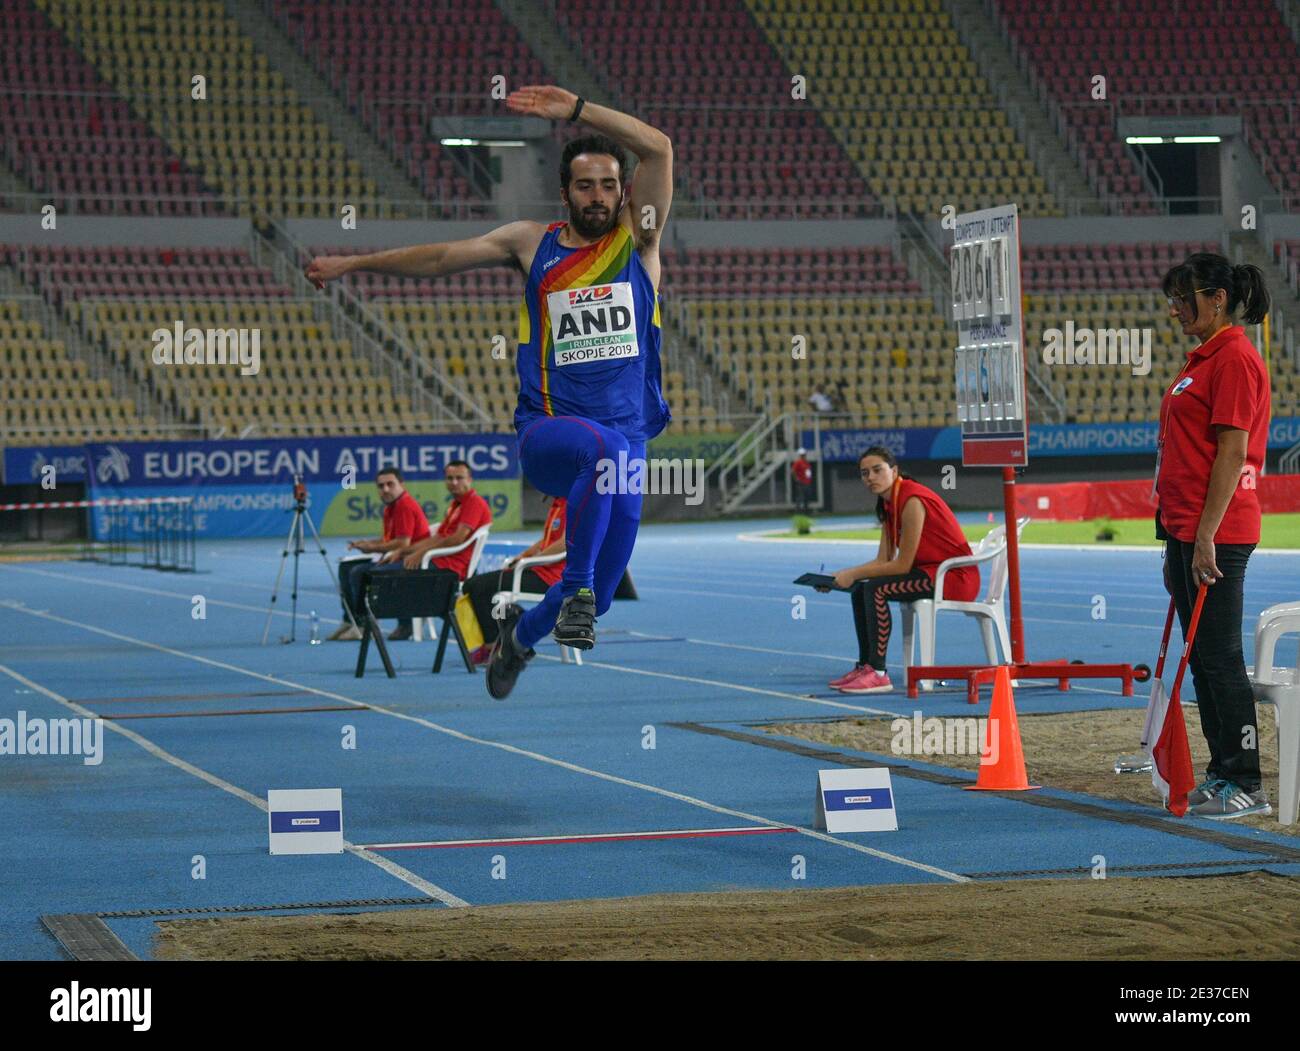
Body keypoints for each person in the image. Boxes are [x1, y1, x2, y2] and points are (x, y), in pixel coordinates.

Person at [307, 85, 672, 699]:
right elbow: (443, 256)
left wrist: (578, 111)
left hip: (625, 445)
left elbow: (658, 147)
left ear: (625, 193)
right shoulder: (533, 243)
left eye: (610, 184)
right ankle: (575, 589)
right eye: (586, 185)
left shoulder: (640, 241)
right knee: (598, 467)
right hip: (551, 433)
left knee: (604, 595)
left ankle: (518, 640)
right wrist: (357, 264)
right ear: (565, 194)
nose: (600, 196)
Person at [1156, 253, 1272, 819]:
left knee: (1220, 656)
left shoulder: (1234, 359)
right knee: (1200, 656)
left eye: (1185, 298)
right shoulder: (1201, 359)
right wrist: (1172, 536)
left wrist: (1203, 537)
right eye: (1172, 300)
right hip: (1186, 529)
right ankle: (1221, 769)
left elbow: (1232, 451)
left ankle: (1248, 779)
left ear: (1218, 297)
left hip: (1218, 532)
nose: (1176, 309)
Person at [821, 447, 979, 694]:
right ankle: (866, 666)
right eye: (864, 473)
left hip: (953, 577)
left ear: (894, 471)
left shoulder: (912, 499)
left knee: (874, 588)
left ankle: (879, 673)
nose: (870, 478)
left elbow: (901, 565)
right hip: (929, 573)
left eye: (877, 470)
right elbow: (883, 559)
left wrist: (852, 574)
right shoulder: (888, 505)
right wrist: (840, 575)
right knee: (860, 589)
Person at [375, 460, 494, 640]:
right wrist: (405, 551)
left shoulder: (473, 503)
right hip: (440, 560)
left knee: (386, 575)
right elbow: (438, 537)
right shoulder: (455, 505)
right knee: (387, 569)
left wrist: (421, 553)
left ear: (469, 479)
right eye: (449, 478)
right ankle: (408, 621)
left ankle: (405, 623)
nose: (454, 482)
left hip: (453, 566)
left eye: (459, 478)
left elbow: (457, 538)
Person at [326, 467, 430, 641]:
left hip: (410, 560)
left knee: (359, 572)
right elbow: (389, 538)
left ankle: (365, 624)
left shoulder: (404, 505)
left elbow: (402, 543)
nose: (385, 489)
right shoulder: (391, 507)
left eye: (390, 484)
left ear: (401, 484)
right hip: (395, 556)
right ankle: (351, 619)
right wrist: (368, 543)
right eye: (381, 486)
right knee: (346, 567)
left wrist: (372, 548)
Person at [462, 496, 567, 665]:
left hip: (551, 579)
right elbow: (546, 541)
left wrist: (530, 561)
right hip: (538, 571)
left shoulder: (573, 503)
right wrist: (523, 556)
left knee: (478, 586)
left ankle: (496, 646)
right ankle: (508, 639)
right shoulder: (558, 503)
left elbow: (565, 543)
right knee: (472, 585)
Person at [791, 447, 813, 513]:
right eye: (802, 455)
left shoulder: (806, 463)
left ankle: (806, 511)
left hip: (807, 483)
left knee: (807, 497)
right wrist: (796, 479)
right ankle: (798, 512)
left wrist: (809, 480)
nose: (803, 456)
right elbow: (793, 471)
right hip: (801, 483)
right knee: (800, 498)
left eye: (804, 454)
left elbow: (808, 472)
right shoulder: (798, 462)